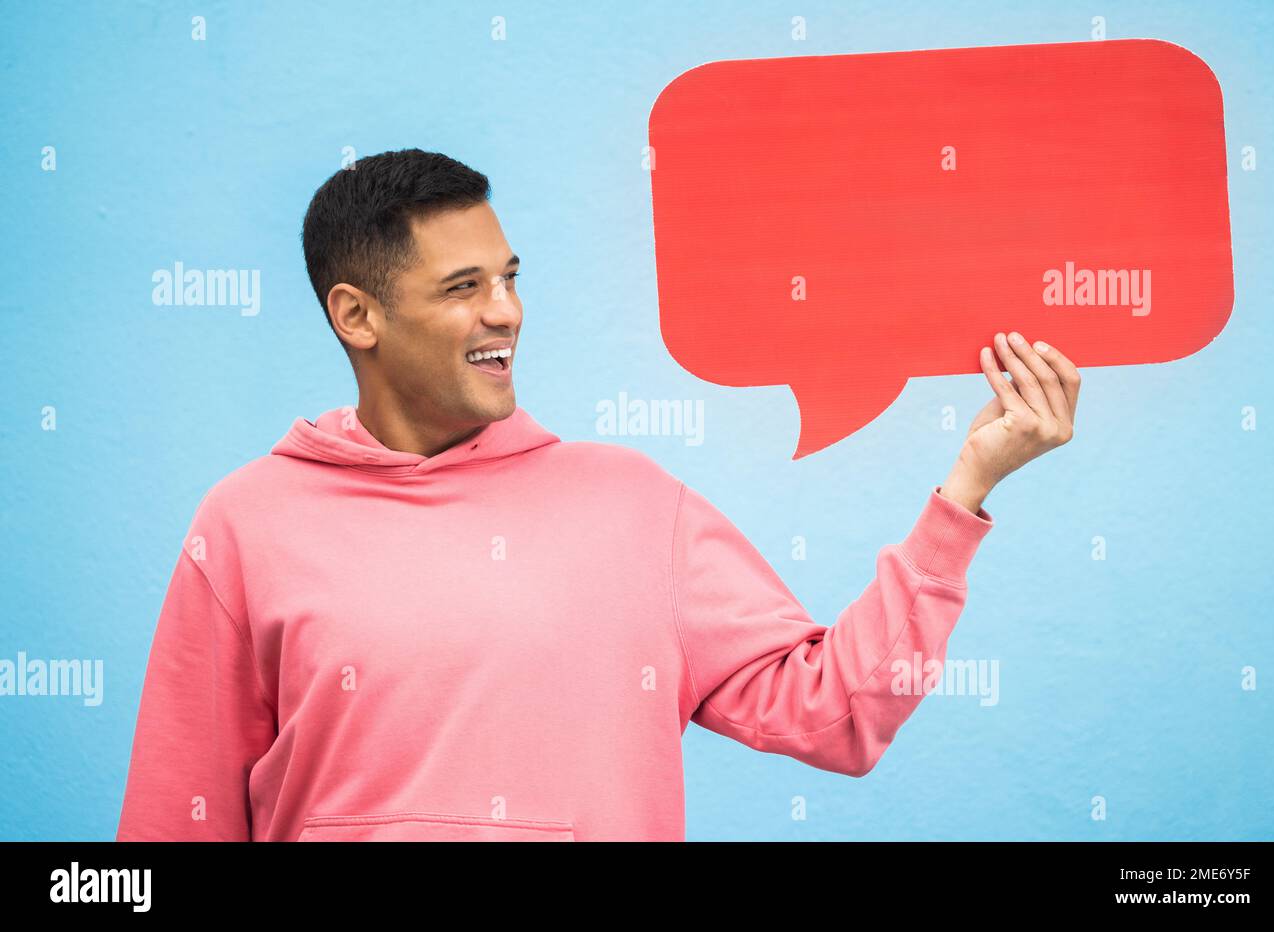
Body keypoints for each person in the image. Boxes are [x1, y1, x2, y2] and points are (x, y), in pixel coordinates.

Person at [115, 149, 1080, 842]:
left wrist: (967, 492)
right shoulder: (247, 522)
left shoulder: (632, 505)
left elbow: (837, 715)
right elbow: (174, 820)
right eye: (462, 286)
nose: (506, 311)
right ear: (357, 315)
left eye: (509, 277)